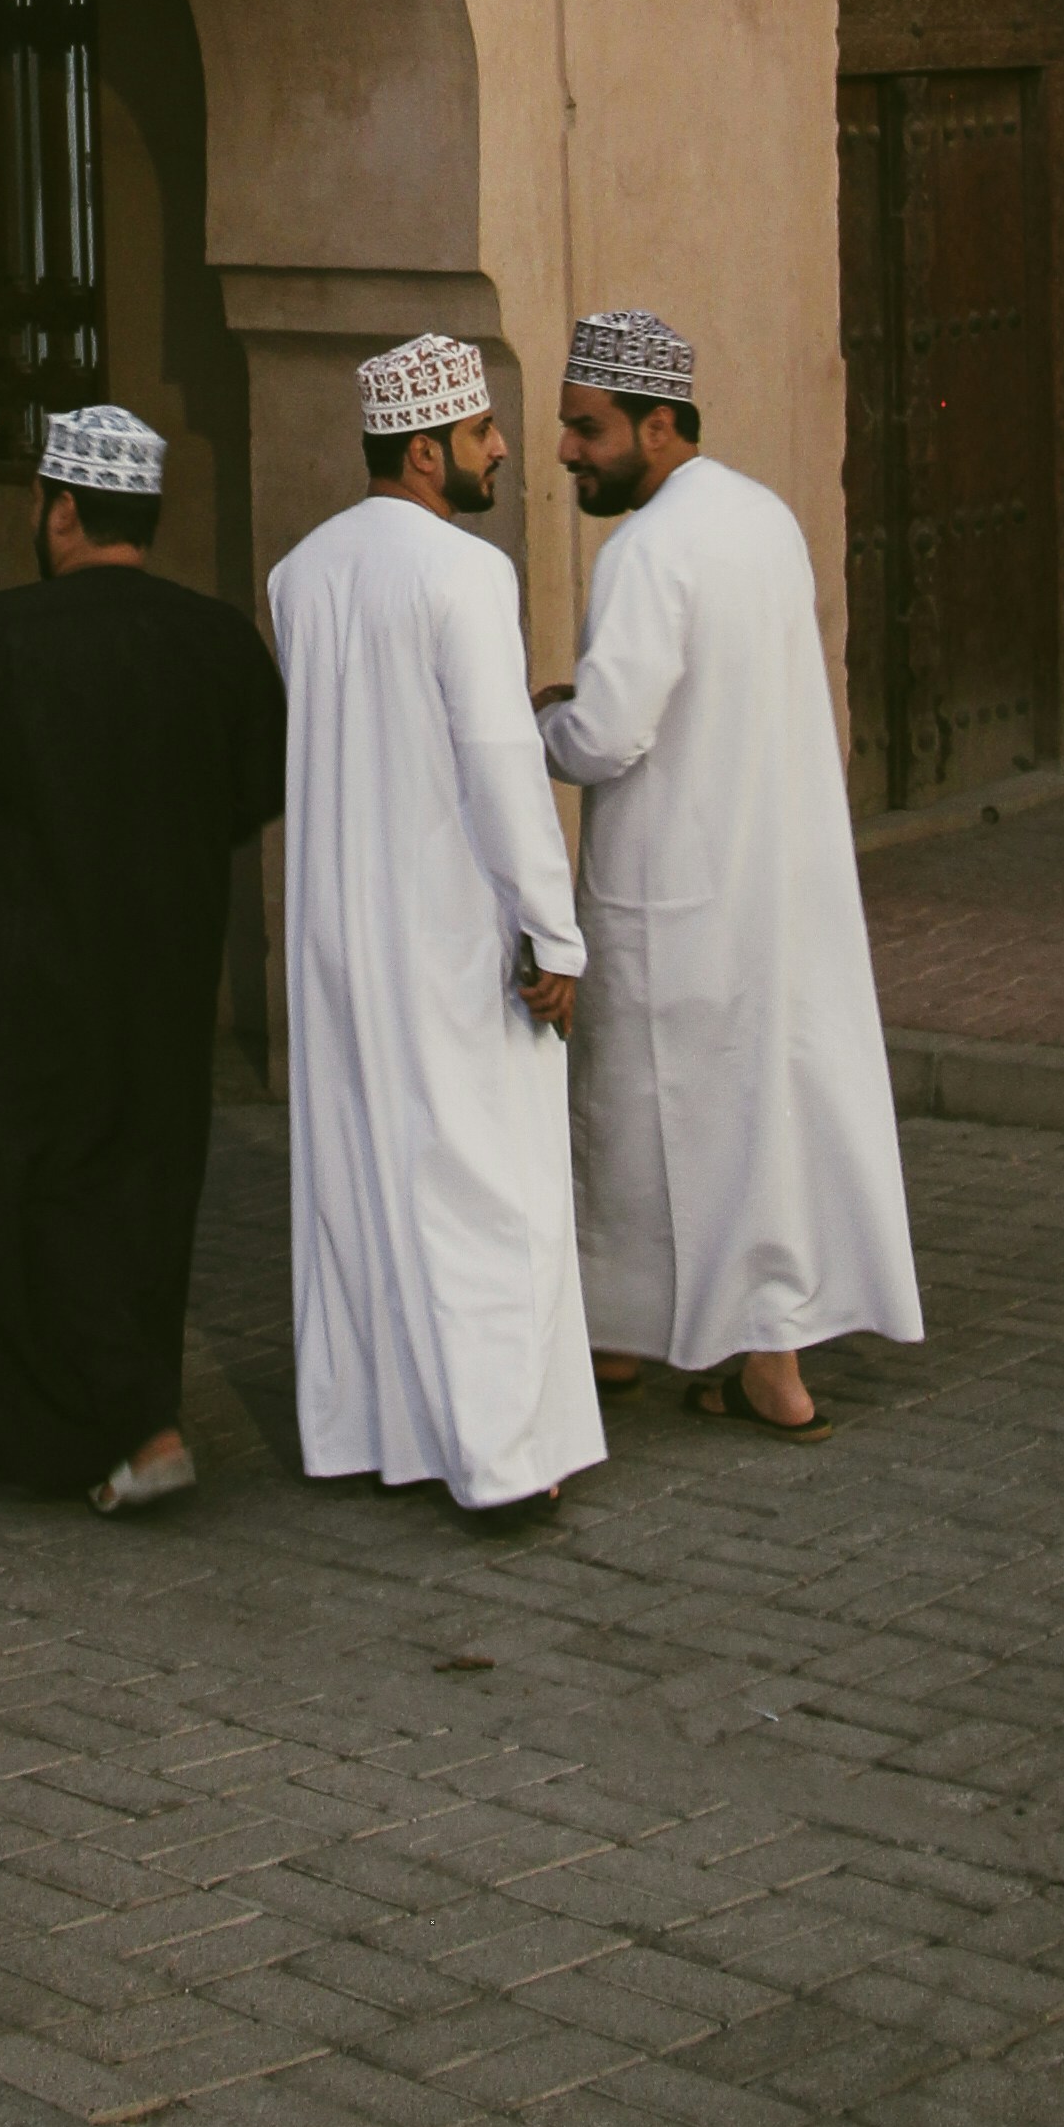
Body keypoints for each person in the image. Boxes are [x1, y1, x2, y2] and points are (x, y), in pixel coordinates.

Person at [0, 405, 286, 1517]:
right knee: (147, 1193)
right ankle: (136, 1420)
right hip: (165, 978)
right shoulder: (216, 641)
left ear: (59, 508)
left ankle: (96, 1436)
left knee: (26, 1201)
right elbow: (261, 787)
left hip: (29, 976)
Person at [538, 308, 922, 1438]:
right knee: (755, 1124)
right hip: (777, 885)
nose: (568, 452)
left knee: (649, 1125)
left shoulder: (647, 550)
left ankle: (677, 1352)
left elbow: (610, 734)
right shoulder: (764, 518)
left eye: (587, 430)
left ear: (660, 427)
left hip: (676, 895)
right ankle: (709, 1352)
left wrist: (539, 724)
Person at [269, 333, 605, 1525]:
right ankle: (504, 1462)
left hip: (337, 941)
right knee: (482, 1195)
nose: (505, 449)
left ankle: (372, 1432)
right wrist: (553, 935)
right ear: (425, 453)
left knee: (362, 1183)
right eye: (481, 435)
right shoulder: (466, 577)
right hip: (450, 938)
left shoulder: (298, 574)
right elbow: (502, 768)